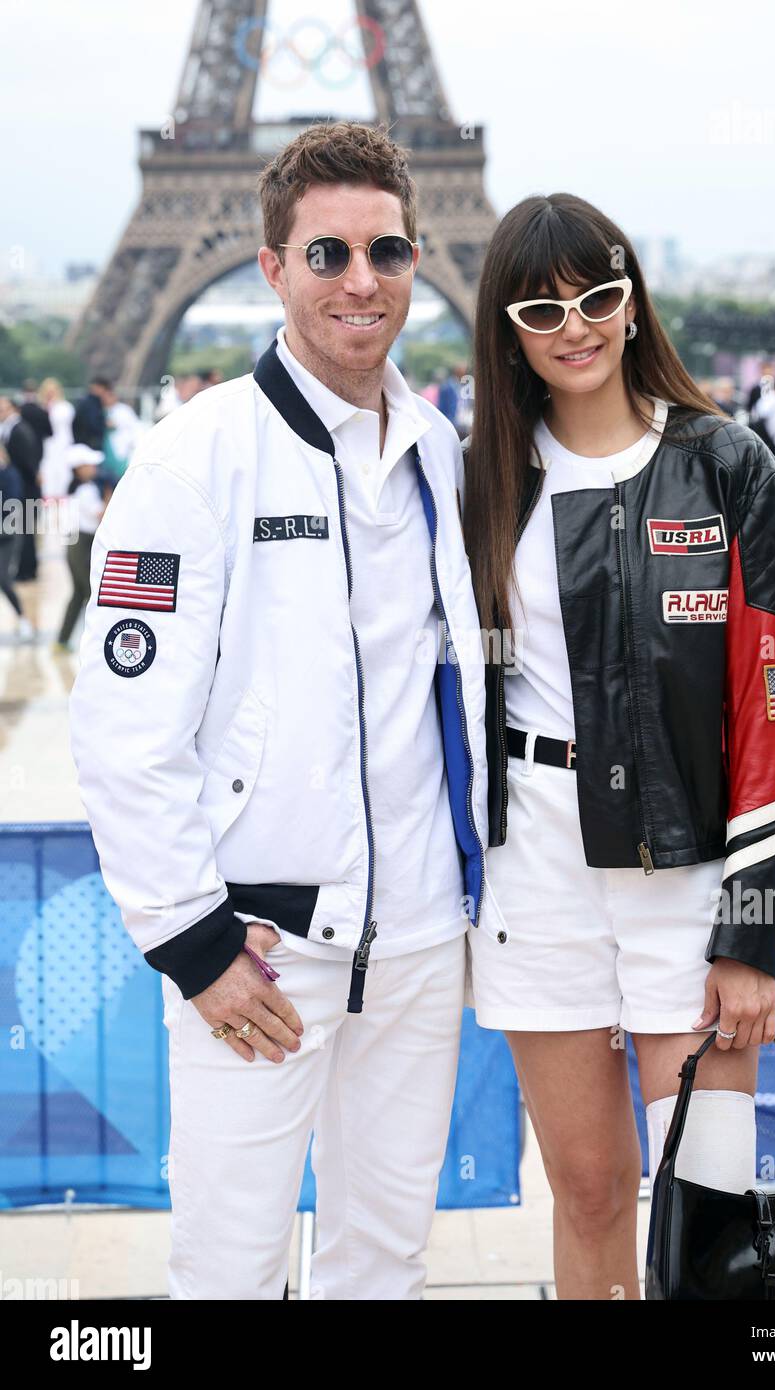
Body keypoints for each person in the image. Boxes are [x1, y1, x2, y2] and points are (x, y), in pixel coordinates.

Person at [68, 119, 487, 1301]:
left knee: (386, 1262)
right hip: (258, 952)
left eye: (388, 253)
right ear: (272, 266)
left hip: (413, 945)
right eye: (329, 255)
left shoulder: (439, 453)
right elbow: (118, 727)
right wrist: (196, 942)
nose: (363, 280)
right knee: (230, 1267)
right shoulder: (191, 462)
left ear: (415, 261)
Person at [462, 192, 775, 1300]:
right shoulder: (479, 478)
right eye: (541, 306)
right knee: (584, 1192)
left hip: (694, 874)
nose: (573, 324)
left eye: (598, 295)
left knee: (706, 1212)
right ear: (507, 329)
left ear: (632, 303)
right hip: (536, 869)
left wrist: (751, 935)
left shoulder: (727, 465)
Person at [55, 444, 109, 652]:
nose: (95, 467)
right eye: (90, 464)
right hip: (82, 545)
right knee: (91, 593)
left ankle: (61, 640)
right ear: (79, 468)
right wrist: (108, 499)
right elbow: (102, 515)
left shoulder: (77, 487)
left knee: (78, 593)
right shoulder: (85, 490)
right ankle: (96, 645)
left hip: (75, 544)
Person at [0, 396, 42, 581]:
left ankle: (27, 570)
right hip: (22, 487)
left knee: (26, 530)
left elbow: (27, 463)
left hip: (26, 488)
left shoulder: (19, 430)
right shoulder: (13, 429)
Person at [0, 446, 35, 640]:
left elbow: (11, 503)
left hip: (6, 535)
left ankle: (23, 619)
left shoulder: (10, 474)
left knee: (3, 579)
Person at [37, 377, 76, 500]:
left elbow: (61, 420)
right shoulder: (41, 408)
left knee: (63, 475)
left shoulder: (64, 407)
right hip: (47, 447)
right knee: (48, 474)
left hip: (62, 446)